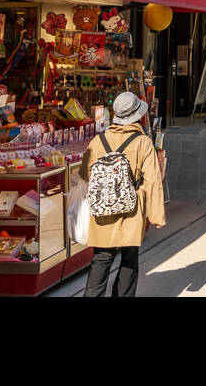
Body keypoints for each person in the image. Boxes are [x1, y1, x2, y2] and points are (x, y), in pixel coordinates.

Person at [80, 92, 166, 297]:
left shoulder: (98, 141)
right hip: (132, 207)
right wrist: (156, 215)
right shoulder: (143, 142)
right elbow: (153, 180)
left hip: (102, 209)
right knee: (129, 257)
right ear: (137, 115)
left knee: (101, 257)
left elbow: (85, 173)